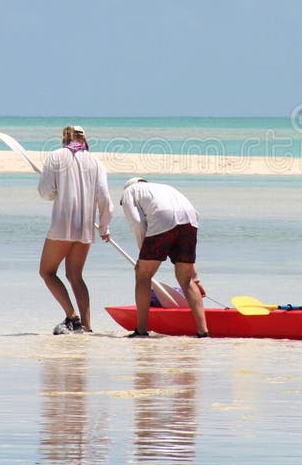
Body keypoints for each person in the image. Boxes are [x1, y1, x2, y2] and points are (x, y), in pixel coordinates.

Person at [38, 125, 112, 335]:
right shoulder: (96, 162)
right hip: (85, 227)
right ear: (84, 139)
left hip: (62, 225)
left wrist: (56, 192)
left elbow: (45, 192)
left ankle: (73, 317)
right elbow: (105, 197)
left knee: (47, 272)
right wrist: (104, 226)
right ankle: (87, 327)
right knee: (75, 275)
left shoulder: (55, 157)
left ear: (64, 138)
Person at [120, 177, 209, 338]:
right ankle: (203, 332)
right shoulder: (163, 187)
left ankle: (141, 330)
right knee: (186, 279)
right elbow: (188, 216)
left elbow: (137, 223)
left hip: (163, 217)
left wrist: (143, 257)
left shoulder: (128, 192)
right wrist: (196, 278)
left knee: (143, 275)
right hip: (191, 219)